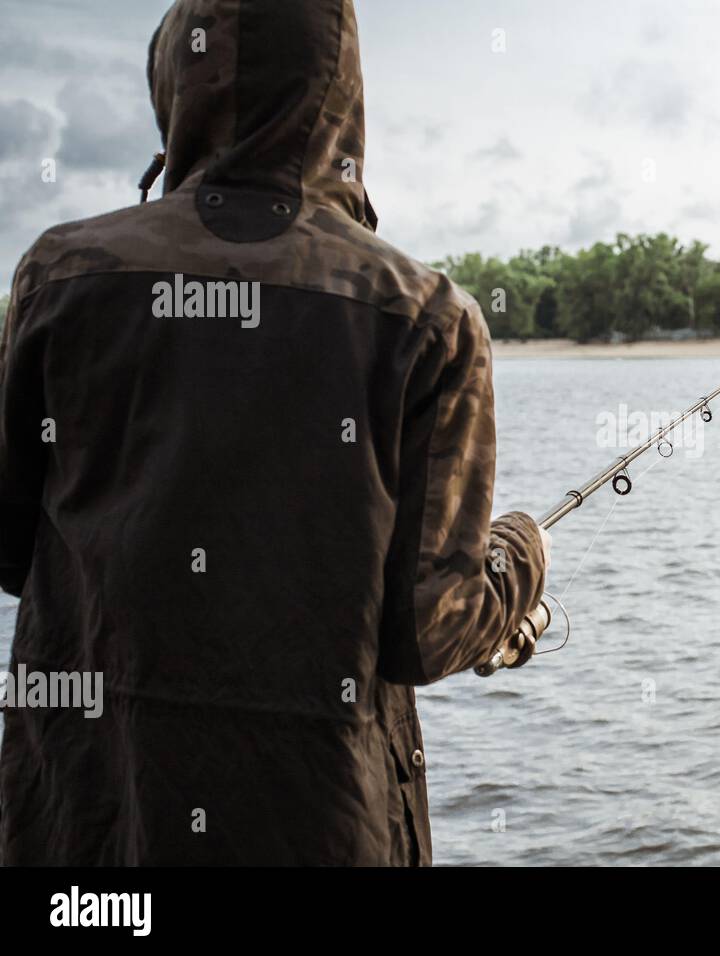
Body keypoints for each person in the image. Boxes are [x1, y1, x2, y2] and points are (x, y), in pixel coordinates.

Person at [0, 0, 549, 866]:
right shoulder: (428, 317)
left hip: (86, 826)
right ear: (343, 98)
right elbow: (434, 629)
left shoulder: (56, 277)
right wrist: (520, 557)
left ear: (175, 83)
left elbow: (8, 548)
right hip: (324, 827)